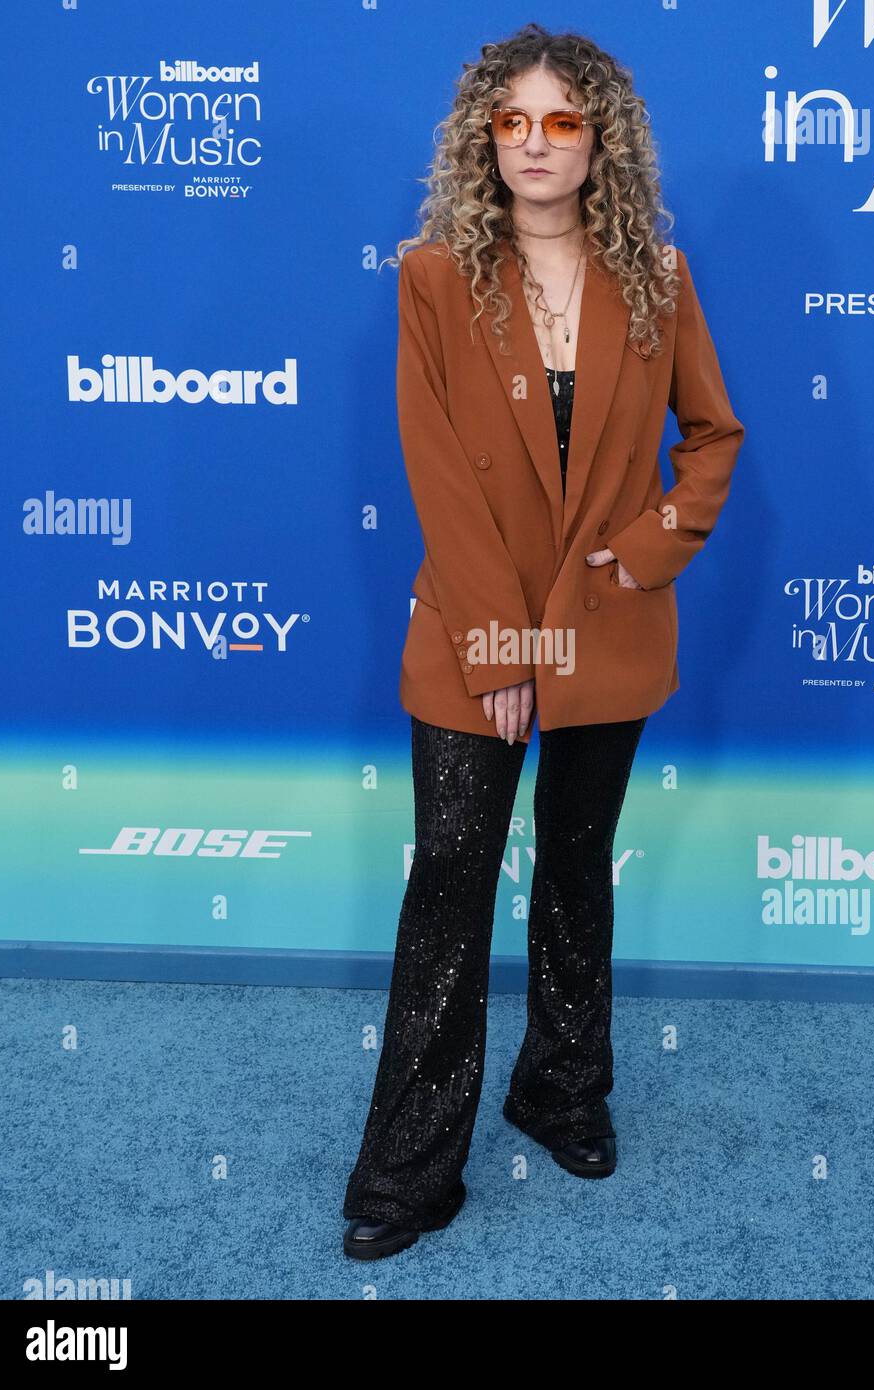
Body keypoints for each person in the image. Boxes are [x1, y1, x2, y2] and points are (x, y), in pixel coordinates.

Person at [342, 22, 745, 1260]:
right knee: (450, 892)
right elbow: (438, 478)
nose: (532, 144)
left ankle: (561, 1089)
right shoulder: (428, 277)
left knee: (577, 872)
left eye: (559, 120)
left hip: (610, 634)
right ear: (482, 138)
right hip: (476, 635)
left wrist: (650, 547)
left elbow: (712, 441)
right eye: (509, 121)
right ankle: (408, 1171)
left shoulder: (658, 280)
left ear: (597, 139)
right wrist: (500, 649)